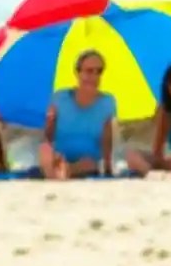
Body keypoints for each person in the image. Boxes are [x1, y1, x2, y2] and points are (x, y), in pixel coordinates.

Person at [37, 50, 118, 179]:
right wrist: (50, 122)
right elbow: (48, 136)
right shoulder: (60, 98)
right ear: (78, 73)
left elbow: (107, 141)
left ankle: (63, 172)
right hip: (60, 156)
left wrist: (108, 167)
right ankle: (58, 171)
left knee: (89, 163)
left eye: (99, 71)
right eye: (89, 71)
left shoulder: (107, 102)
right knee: (45, 150)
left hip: (88, 162)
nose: (94, 76)